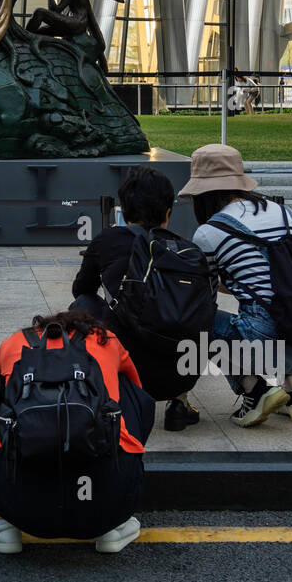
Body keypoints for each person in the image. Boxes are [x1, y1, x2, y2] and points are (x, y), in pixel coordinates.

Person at [0, 310, 155, 555]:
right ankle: (114, 527)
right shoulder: (106, 339)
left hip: (19, 506)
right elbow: (140, 396)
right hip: (111, 505)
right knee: (125, 389)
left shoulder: (14, 343)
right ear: (86, 326)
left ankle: (0, 523)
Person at [178, 144, 292, 427]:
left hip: (269, 350)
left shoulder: (209, 232)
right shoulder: (285, 213)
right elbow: (284, 278)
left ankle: (256, 391)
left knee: (197, 319)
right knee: (274, 301)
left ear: (202, 194)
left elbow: (206, 296)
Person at [69, 165, 201, 431]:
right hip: (181, 374)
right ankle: (179, 402)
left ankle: (95, 388)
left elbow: (81, 288)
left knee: (82, 305)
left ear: (123, 209)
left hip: (129, 372)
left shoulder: (108, 240)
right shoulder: (186, 250)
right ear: (168, 212)